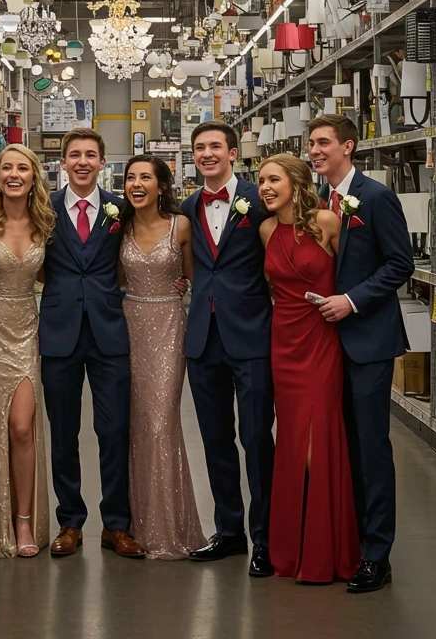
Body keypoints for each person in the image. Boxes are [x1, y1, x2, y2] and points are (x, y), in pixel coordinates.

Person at [307, 113, 414, 594]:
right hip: (322, 342)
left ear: (349, 147)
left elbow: (400, 264)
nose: (315, 150)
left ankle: (377, 554)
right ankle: (345, 542)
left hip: (368, 340)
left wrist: (351, 300)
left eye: (324, 142)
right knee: (337, 444)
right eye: (311, 143)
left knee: (370, 446)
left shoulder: (375, 197)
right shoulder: (313, 203)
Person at [39, 127, 144, 559]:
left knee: (113, 430)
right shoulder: (42, 209)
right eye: (74, 155)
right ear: (63, 162)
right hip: (59, 331)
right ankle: (70, 521)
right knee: (63, 432)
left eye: (91, 155)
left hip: (109, 331)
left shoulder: (122, 210)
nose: (82, 162)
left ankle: (116, 524)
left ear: (103, 163)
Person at [257, 154, 361, 584]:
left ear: (297, 183)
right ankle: (292, 548)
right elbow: (271, 288)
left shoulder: (329, 223)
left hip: (321, 339)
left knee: (319, 439)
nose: (264, 187)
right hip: (284, 341)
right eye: (261, 180)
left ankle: (327, 551)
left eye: (273, 179)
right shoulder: (265, 230)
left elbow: (353, 277)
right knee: (293, 440)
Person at [181, 120, 275, 579]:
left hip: (252, 334)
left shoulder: (261, 200)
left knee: (257, 438)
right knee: (215, 439)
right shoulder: (186, 205)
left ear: (233, 153)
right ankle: (229, 531)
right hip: (202, 338)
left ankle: (267, 538)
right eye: (200, 148)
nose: (207, 154)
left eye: (215, 146)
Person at [0, 144, 55, 558]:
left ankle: (23, 521)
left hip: (25, 330)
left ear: (34, 175)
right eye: (7, 168)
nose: (14, 174)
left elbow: (55, 272)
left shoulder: (46, 222)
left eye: (23, 168)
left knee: (22, 427)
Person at [119, 154, 206, 560]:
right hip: (128, 323)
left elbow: (191, 277)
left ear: (161, 186)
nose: (136, 184)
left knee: (160, 422)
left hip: (169, 324)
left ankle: (170, 527)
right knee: (136, 422)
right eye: (130, 177)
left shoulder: (181, 226)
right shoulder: (118, 226)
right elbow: (113, 277)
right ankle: (137, 524)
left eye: (145, 178)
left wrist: (179, 286)